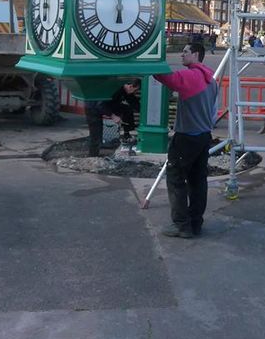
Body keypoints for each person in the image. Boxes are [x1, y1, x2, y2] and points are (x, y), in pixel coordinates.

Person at [154, 42, 218, 238]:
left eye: (185, 51)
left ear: (196, 54)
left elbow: (165, 77)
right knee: (198, 181)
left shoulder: (191, 76)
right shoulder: (210, 79)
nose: (181, 55)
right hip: (203, 136)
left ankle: (181, 225)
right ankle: (195, 223)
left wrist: (152, 60)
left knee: (176, 179)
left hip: (186, 137)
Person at [85, 79, 141, 157]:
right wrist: (113, 116)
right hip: (94, 106)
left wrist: (146, 113)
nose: (134, 93)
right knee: (96, 134)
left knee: (127, 109)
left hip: (107, 105)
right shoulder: (114, 89)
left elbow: (133, 102)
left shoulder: (125, 90)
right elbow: (100, 105)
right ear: (130, 86)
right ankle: (93, 156)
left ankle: (127, 135)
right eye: (135, 90)